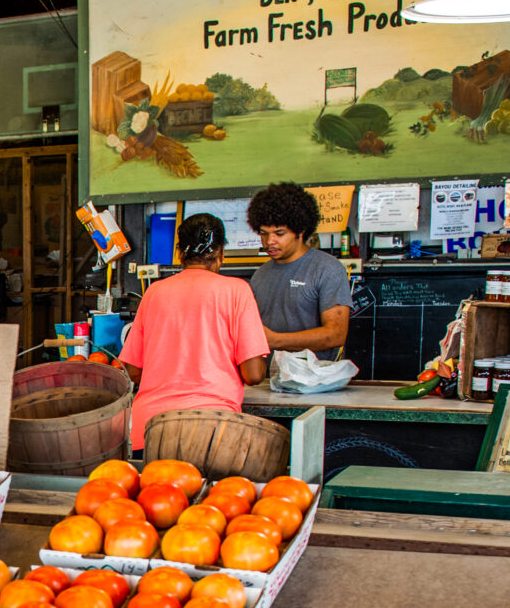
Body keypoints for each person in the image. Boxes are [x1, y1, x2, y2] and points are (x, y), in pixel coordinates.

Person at [116, 213, 269, 452]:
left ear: (179, 254)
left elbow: (133, 370)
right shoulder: (238, 291)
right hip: (213, 431)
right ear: (221, 254)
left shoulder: (154, 293)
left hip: (151, 430)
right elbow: (254, 374)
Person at [246, 180, 351, 356]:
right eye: (264, 234)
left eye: (279, 233)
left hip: (314, 380)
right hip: (266, 380)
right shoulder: (260, 275)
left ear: (300, 231)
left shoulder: (327, 269)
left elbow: (336, 334)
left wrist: (276, 340)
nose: (269, 241)